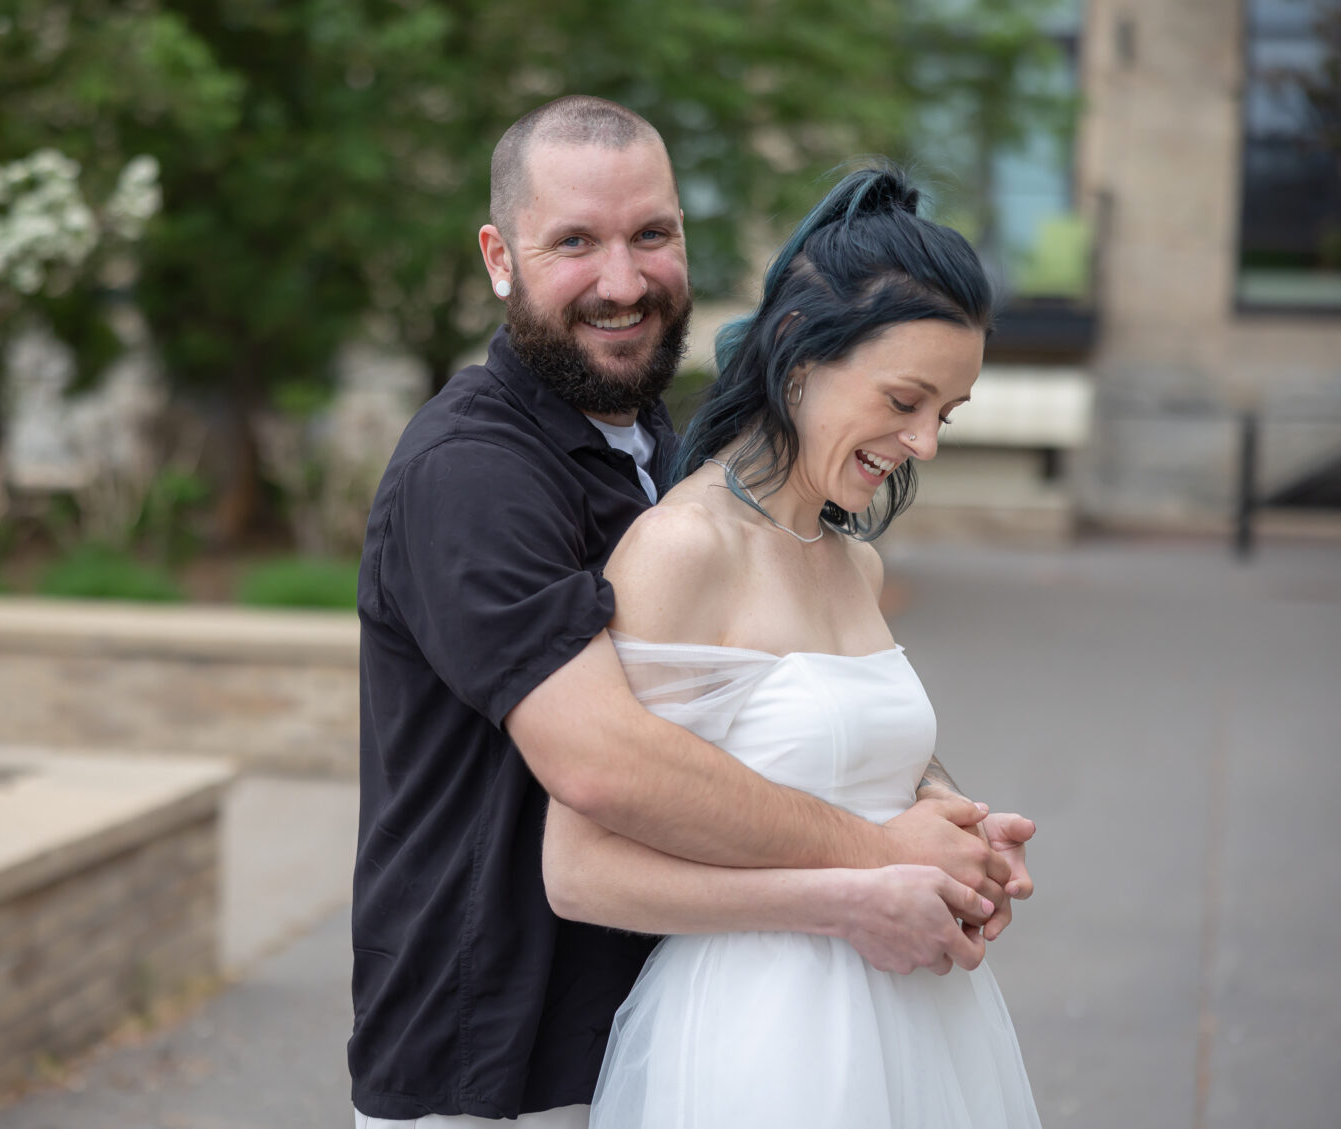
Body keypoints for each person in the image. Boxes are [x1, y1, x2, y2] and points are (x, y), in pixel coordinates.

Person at [352, 95, 1033, 1128]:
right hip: (488, 1061)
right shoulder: (471, 475)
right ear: (500, 257)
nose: (621, 281)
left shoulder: (672, 461)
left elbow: (765, 705)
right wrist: (878, 854)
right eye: (574, 241)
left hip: (652, 1023)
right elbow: (604, 764)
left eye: (651, 235)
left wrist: (944, 817)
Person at [541, 165, 1042, 1127]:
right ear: (797, 353)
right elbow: (580, 870)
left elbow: (839, 765)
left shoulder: (853, 564)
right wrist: (851, 897)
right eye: (904, 400)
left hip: (925, 1021)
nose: (925, 442)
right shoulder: (685, 550)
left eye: (946, 412)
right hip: (763, 1041)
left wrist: (953, 827)